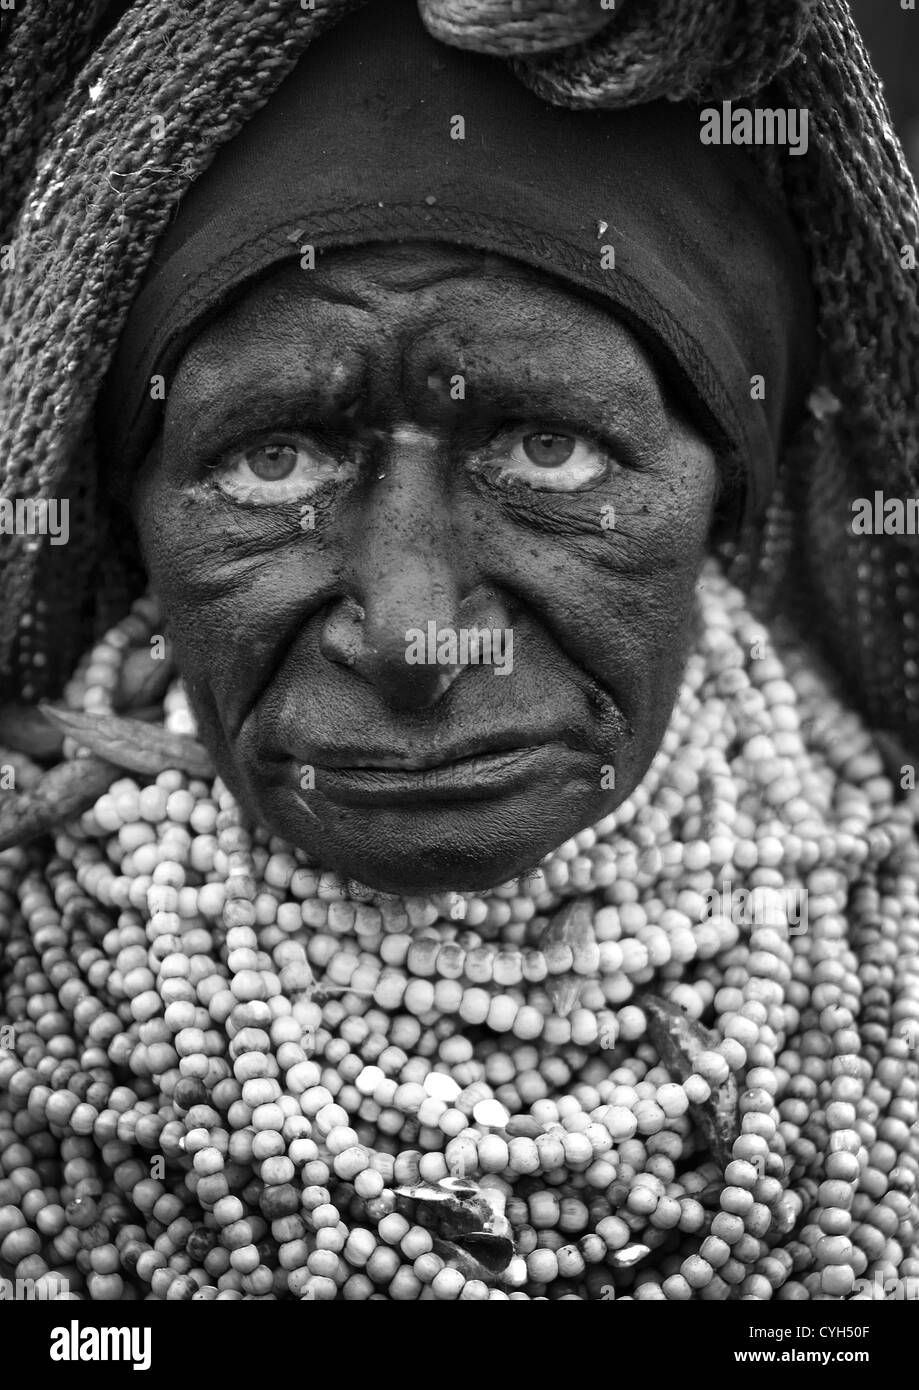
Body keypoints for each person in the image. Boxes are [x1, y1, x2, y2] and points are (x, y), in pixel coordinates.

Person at [0, 0, 917, 1303]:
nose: (410, 634)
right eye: (275, 458)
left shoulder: (891, 967)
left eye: (549, 448)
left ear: (724, 492)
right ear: (132, 513)